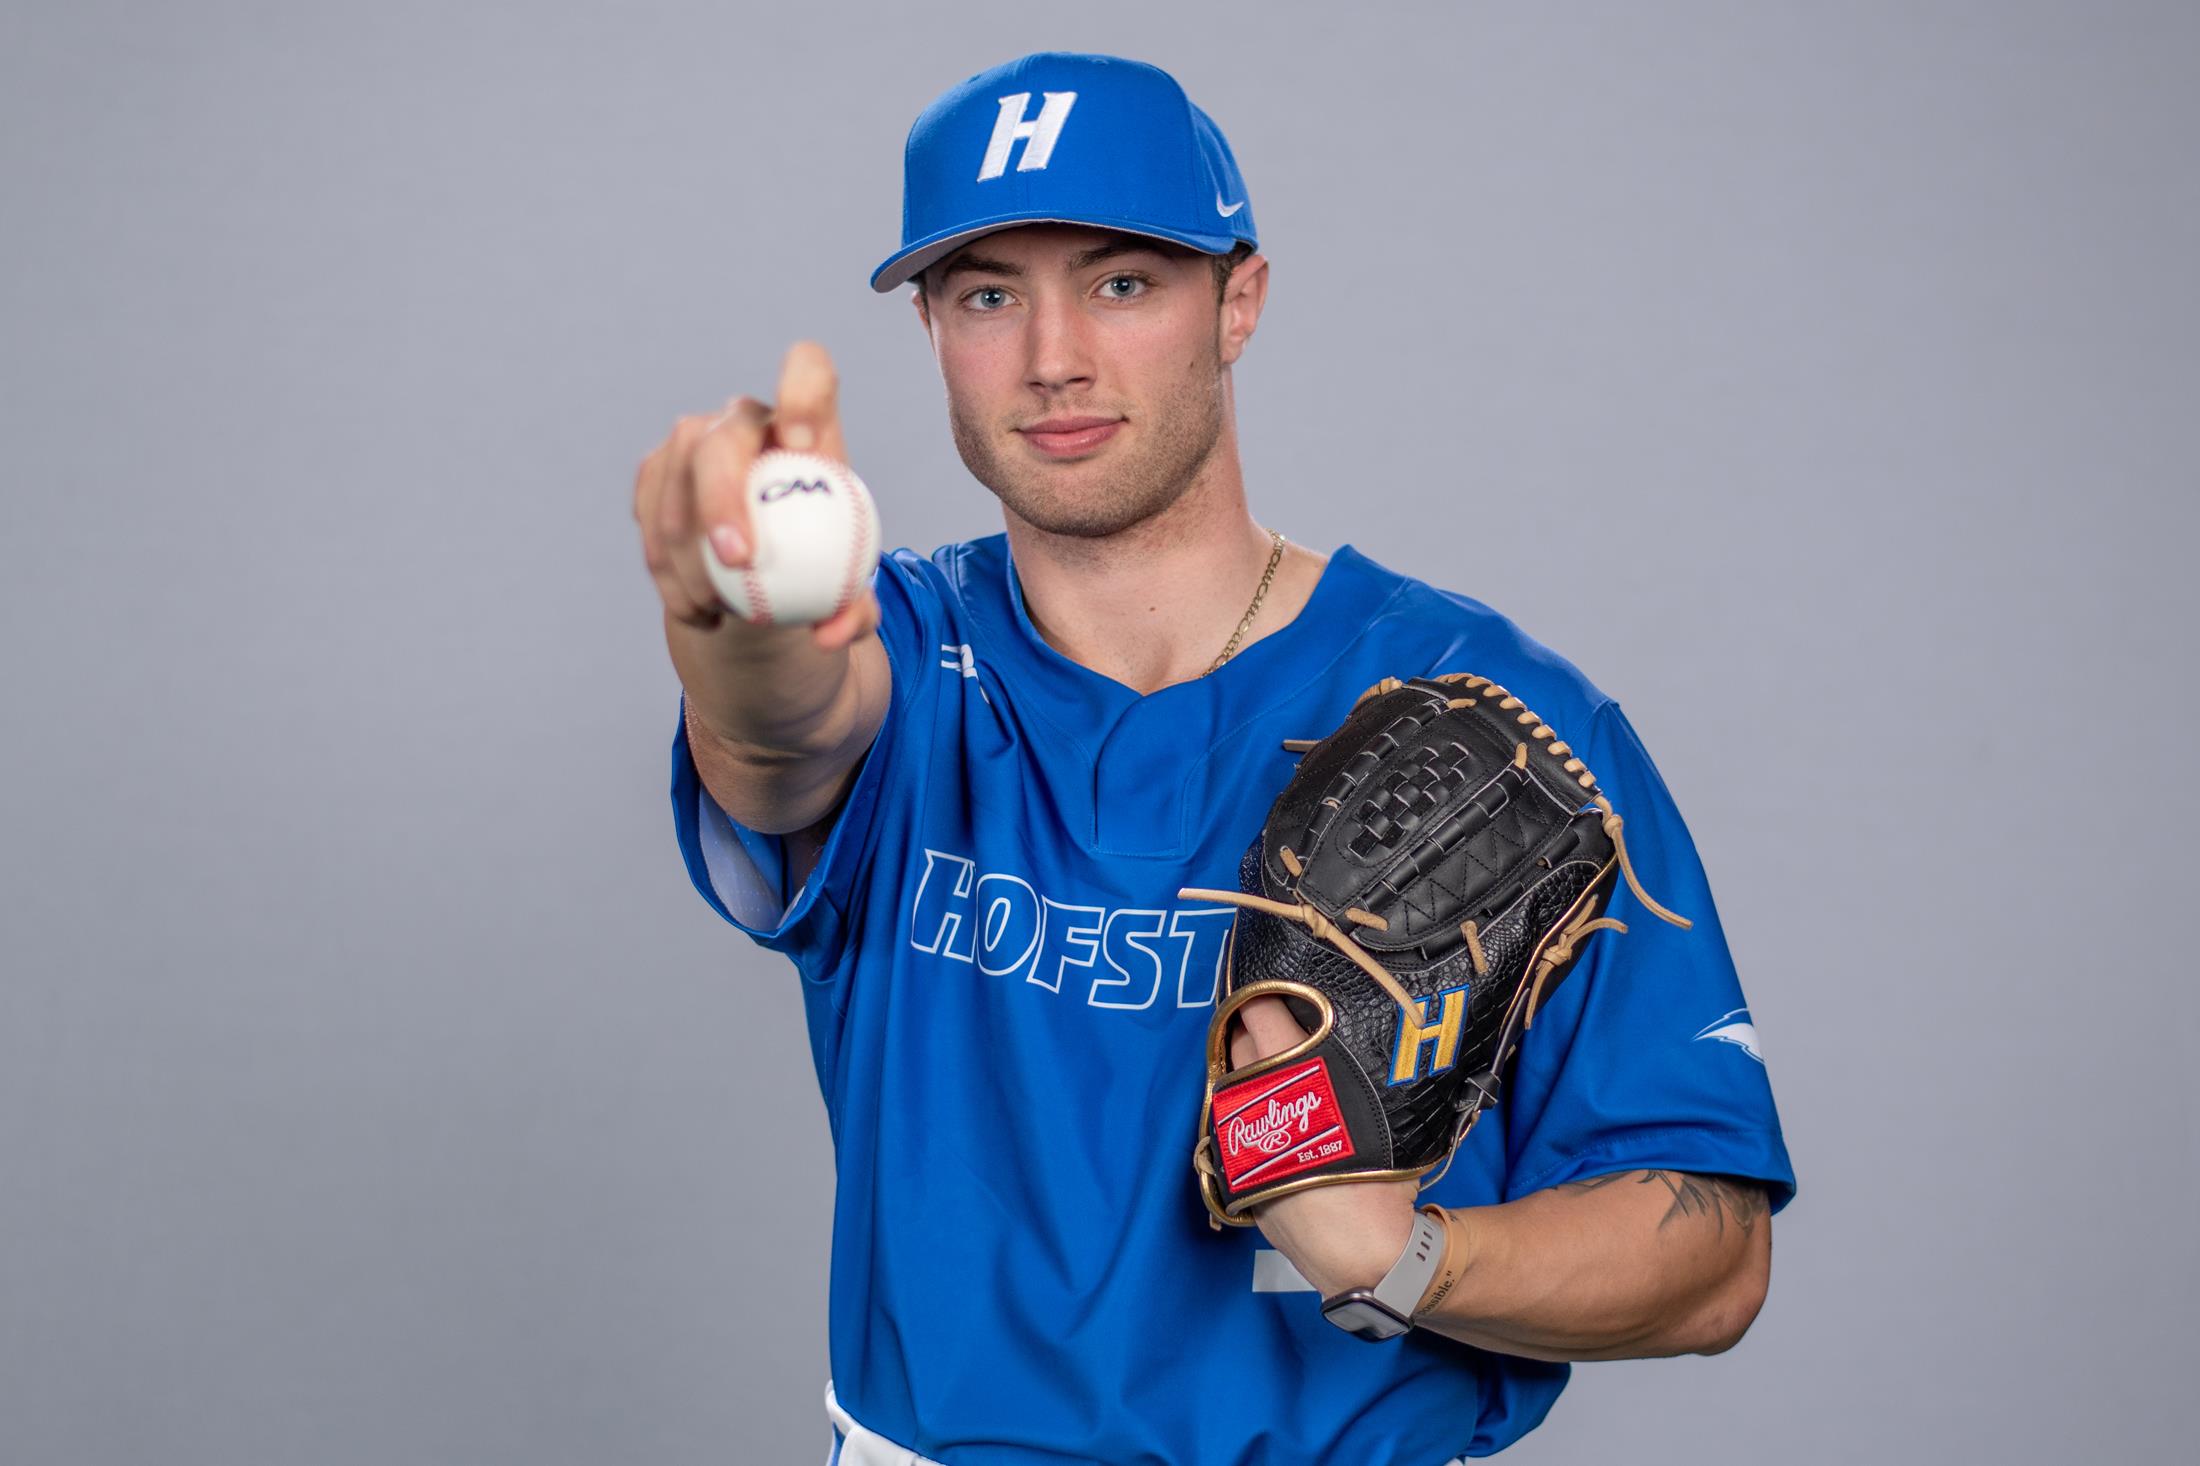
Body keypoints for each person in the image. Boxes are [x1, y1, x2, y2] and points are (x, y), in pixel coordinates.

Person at [636, 50, 1796, 1466]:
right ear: (933, 326)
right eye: (989, 292)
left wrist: (1409, 1255)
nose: (1053, 354)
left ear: (1237, 300)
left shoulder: (1478, 713)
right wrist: (740, 617)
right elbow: (781, 732)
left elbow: (1716, 1252)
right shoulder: (905, 656)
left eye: (1122, 282)